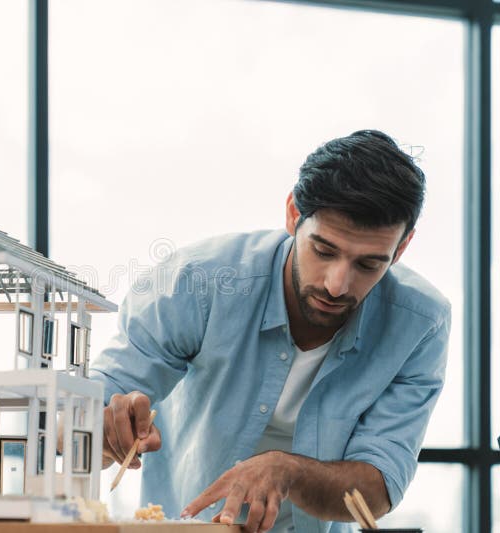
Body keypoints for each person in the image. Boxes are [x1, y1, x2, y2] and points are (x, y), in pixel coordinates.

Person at [88, 130, 450, 533]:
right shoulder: (197, 283)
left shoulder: (420, 324)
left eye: (369, 265)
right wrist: (104, 427)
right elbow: (91, 408)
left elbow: (379, 486)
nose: (337, 284)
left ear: (400, 249)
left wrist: (287, 470)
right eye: (324, 251)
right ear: (294, 214)